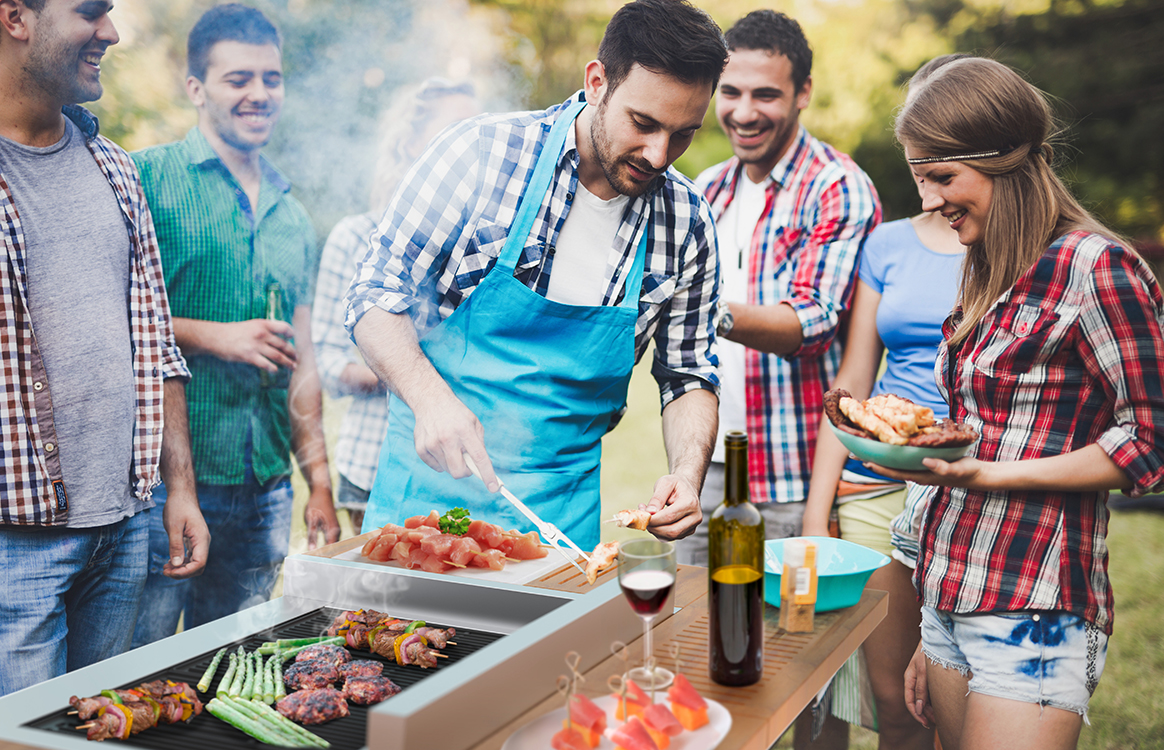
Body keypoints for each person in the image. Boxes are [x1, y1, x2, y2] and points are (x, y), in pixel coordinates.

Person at [881, 57, 1164, 750]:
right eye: (919, 177)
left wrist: (990, 476)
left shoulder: (1096, 268)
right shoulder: (987, 266)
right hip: (950, 591)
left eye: (941, 177)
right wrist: (931, 625)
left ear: (1003, 162)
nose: (928, 201)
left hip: (1036, 609)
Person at [345, 0, 728, 551]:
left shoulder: (687, 223)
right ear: (597, 82)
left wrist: (687, 477)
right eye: (643, 123)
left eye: (683, 134)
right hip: (421, 511)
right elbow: (375, 294)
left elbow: (688, 374)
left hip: (555, 527)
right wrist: (429, 400)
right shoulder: (480, 155)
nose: (659, 154)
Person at [0, 0, 207, 695]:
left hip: (127, 524)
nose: (111, 33)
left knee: (101, 731)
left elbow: (154, 341)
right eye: (91, 12)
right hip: (13, 544)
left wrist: (180, 487)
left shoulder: (115, 168)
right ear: (15, 17)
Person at [131, 3, 340, 647]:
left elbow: (302, 359)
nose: (259, 94)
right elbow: (108, 313)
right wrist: (214, 335)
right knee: (145, 672)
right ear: (196, 88)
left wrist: (321, 484)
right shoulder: (146, 180)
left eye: (271, 79)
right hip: (163, 489)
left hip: (265, 492)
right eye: (238, 78)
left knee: (235, 673)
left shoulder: (293, 216)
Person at [800, 54, 971, 750]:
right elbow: (853, 388)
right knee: (895, 703)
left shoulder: (1017, 245)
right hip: (873, 491)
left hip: (972, 489)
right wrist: (818, 513)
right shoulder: (888, 245)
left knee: (959, 708)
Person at [683, 9, 881, 564]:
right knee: (698, 637)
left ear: (803, 93)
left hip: (792, 477)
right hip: (705, 467)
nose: (743, 113)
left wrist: (701, 307)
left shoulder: (837, 186)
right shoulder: (709, 187)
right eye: (731, 92)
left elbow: (813, 323)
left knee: (794, 645)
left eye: (765, 94)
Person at [312, 78, 480, 535]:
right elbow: (327, 363)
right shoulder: (353, 237)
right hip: (371, 465)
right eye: (453, 132)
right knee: (383, 605)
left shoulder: (483, 247)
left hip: (456, 470)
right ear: (409, 144)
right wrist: (407, 367)